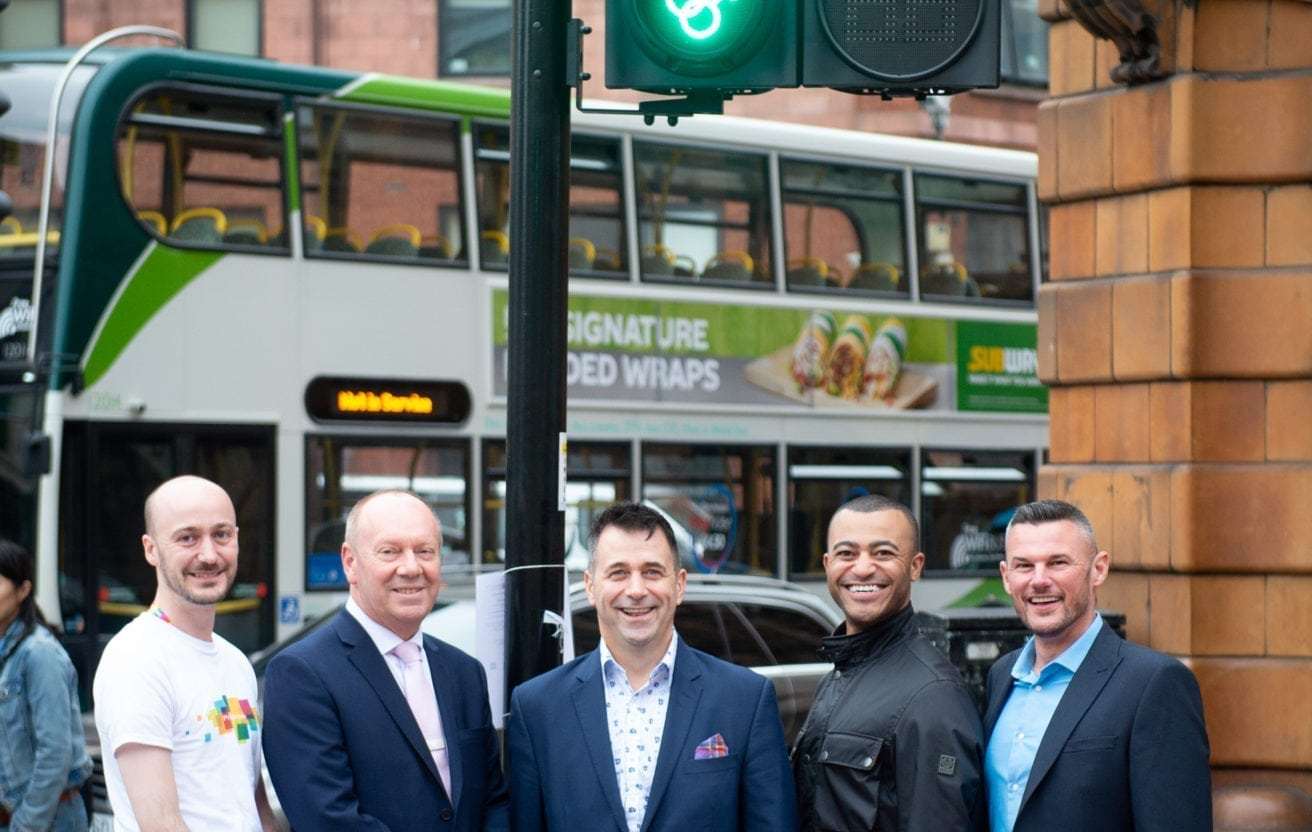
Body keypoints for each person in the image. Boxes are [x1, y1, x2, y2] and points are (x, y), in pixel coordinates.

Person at [507, 502, 797, 832]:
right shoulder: (537, 708)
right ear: (590, 586)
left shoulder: (745, 700)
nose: (636, 590)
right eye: (618, 573)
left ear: (679, 584)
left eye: (652, 572)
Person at [262, 490, 508, 832]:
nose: (410, 568)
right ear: (350, 562)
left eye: (425, 551)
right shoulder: (302, 673)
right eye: (389, 552)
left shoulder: (464, 672)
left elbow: (493, 799)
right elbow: (327, 819)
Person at [984, 499, 1212, 832]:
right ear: (1006, 576)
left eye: (1058, 562)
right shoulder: (1001, 676)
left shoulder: (1154, 683)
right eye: (1024, 566)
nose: (1039, 580)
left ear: (1099, 569)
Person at [92, 475, 277, 831]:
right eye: (187, 538)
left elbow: (254, 806)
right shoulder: (135, 659)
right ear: (151, 549)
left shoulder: (236, 662)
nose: (208, 555)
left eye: (221, 534)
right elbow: (160, 824)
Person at [792, 494, 985, 832]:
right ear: (827, 564)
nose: (863, 568)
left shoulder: (933, 697)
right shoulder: (842, 671)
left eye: (883, 553)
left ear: (915, 566)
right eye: (846, 553)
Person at [0, 539, 92, 832]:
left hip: (48, 819)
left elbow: (55, 752)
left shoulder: (38, 653)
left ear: (23, 590)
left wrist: (26, 824)